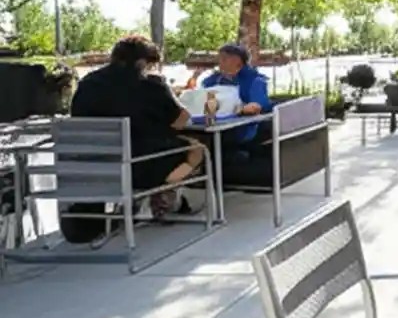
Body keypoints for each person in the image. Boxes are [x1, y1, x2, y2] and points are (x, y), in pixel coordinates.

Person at [68, 35, 204, 232]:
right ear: (142, 62)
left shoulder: (87, 84)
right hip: (139, 167)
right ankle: (162, 196)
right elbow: (181, 120)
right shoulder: (151, 84)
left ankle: (150, 199)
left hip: (93, 167)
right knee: (196, 149)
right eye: (151, 64)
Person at [201, 43, 272, 156]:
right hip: (212, 125)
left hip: (243, 130)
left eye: (224, 59)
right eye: (219, 59)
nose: (219, 62)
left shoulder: (255, 81)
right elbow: (204, 102)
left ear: (237, 61)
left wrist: (245, 109)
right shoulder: (211, 81)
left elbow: (258, 106)